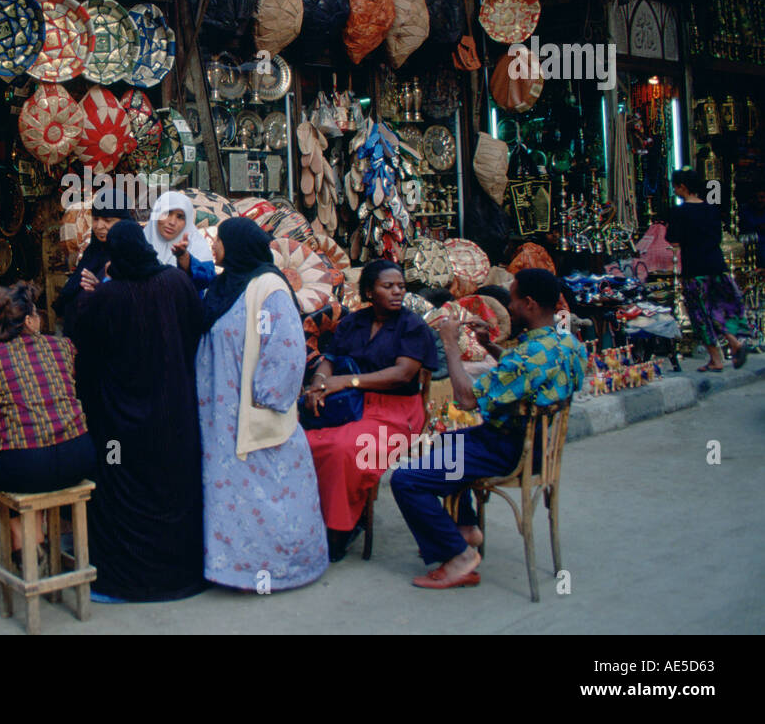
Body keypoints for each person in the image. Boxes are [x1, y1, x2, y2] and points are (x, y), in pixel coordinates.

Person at [390, 268, 587, 589]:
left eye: (514, 300)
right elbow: (528, 373)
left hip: (508, 449)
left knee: (405, 479)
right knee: (448, 442)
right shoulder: (568, 342)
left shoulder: (526, 357)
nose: (509, 307)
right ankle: (465, 527)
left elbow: (466, 400)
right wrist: (490, 347)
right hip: (541, 445)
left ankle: (458, 557)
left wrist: (451, 345)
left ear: (531, 304)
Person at [69, 220, 208, 602]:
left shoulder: (106, 298)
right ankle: (179, 575)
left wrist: (92, 295)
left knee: (121, 488)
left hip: (121, 425)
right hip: (173, 414)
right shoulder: (177, 284)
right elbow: (196, 329)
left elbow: (84, 348)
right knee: (172, 490)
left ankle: (127, 582)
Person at [196, 217, 329, 591]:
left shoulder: (267, 287)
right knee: (230, 491)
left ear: (237, 245)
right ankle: (229, 569)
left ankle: (281, 568)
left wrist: (268, 396)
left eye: (220, 241)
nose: (215, 247)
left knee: (268, 490)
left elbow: (285, 346)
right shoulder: (223, 286)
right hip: (218, 414)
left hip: (251, 410)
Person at [304, 259, 438, 561]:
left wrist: (347, 381)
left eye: (400, 287)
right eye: (387, 286)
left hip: (398, 411)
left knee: (343, 448)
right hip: (353, 405)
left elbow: (403, 374)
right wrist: (321, 382)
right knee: (305, 441)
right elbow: (330, 357)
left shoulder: (412, 326)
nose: (396, 292)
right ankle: (311, 521)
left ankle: (340, 527)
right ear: (369, 291)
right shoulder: (353, 322)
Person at [0, 282, 97, 553]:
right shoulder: (62, 346)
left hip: (26, 468)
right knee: (31, 455)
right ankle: (33, 527)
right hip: (80, 456)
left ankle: (15, 528)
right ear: (30, 320)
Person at [667, 169, 749, 371]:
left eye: (675, 186)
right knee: (716, 310)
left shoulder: (680, 212)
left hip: (695, 269)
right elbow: (718, 238)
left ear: (683, 187)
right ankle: (733, 343)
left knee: (700, 315)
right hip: (717, 265)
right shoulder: (711, 209)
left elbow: (673, 239)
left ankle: (717, 358)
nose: (674, 189)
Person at [52, 187, 133, 330]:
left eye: (107, 220)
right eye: (95, 219)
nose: (99, 226)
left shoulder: (131, 256)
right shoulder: (93, 252)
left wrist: (101, 290)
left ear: (124, 221)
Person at [143, 190, 216, 291]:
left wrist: (185, 260)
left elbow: (207, 280)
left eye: (180, 217)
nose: (172, 222)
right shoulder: (138, 243)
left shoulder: (195, 244)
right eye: (167, 213)